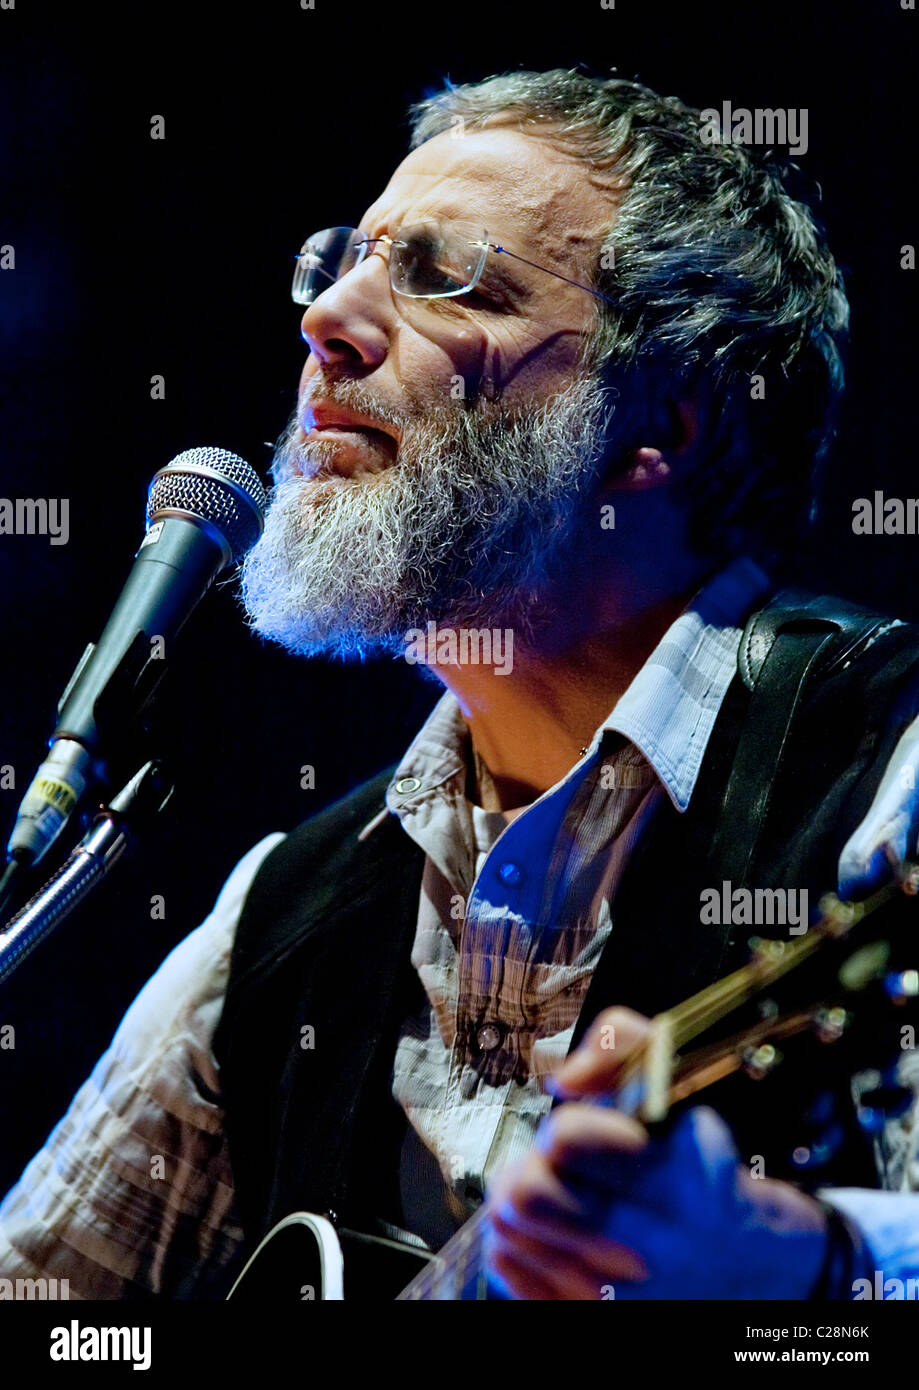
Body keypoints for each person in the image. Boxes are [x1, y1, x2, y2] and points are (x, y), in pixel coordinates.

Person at [1, 68, 917, 1302]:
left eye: (447, 279)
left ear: (668, 424)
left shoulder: (890, 772)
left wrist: (785, 1263)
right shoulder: (283, 915)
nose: (328, 316)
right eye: (342, 262)